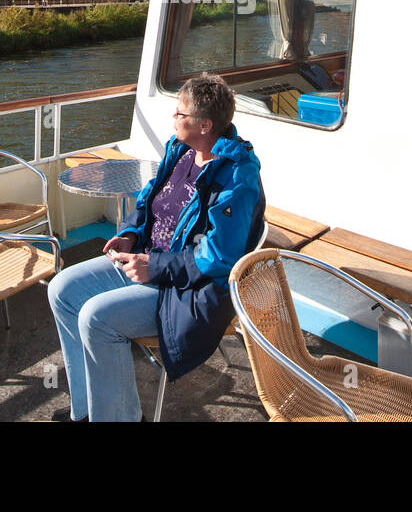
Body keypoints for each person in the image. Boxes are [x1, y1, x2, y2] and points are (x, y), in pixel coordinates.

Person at [47, 73, 265, 422]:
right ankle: (87, 411)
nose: (174, 118)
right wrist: (132, 233)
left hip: (188, 288)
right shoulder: (180, 151)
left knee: (97, 318)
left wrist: (156, 267)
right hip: (147, 262)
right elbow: (150, 200)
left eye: (180, 113)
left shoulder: (236, 176)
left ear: (205, 125)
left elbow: (221, 257)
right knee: (62, 290)